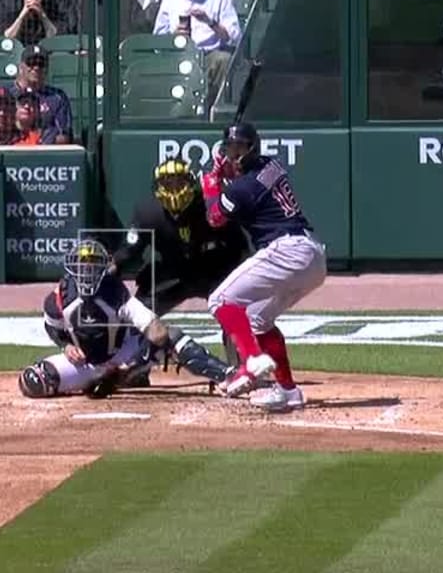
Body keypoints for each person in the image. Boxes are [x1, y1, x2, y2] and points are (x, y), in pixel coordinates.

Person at [201, 121, 326, 413]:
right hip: (312, 256)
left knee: (220, 301)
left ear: (252, 148)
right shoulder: (271, 165)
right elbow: (243, 183)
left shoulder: (244, 188)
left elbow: (215, 218)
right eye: (230, 149)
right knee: (257, 319)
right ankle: (288, 391)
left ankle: (251, 360)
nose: (234, 155)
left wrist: (212, 188)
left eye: (240, 149)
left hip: (288, 251)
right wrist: (229, 178)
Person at [17, 237, 231, 399]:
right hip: (85, 363)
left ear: (104, 267)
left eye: (93, 263)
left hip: (122, 353)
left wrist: (132, 365)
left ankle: (227, 376)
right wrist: (65, 346)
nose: (87, 269)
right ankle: (94, 379)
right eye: (83, 263)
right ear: (72, 267)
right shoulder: (60, 297)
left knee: (173, 337)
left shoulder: (115, 291)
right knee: (32, 382)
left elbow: (157, 330)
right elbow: (52, 326)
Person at [112, 157, 249, 373]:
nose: (174, 190)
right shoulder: (148, 213)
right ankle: (133, 368)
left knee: (235, 310)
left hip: (213, 270)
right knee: (135, 313)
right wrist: (112, 266)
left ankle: (244, 368)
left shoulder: (211, 205)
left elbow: (240, 247)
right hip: (173, 272)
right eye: (168, 184)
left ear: (191, 183)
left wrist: (240, 283)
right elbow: (130, 250)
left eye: (179, 183)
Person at [153, 0, 240, 101]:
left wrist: (210, 23)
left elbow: (235, 38)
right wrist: (174, 37)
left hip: (209, 55)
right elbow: (157, 38)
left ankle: (213, 109)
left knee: (224, 59)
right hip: (178, 55)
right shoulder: (170, 1)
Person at [4, 44, 71, 142]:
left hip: (45, 152)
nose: (36, 68)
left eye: (41, 64)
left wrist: (44, 140)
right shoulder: (5, 94)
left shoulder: (57, 97)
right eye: (31, 62)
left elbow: (64, 136)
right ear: (21, 66)